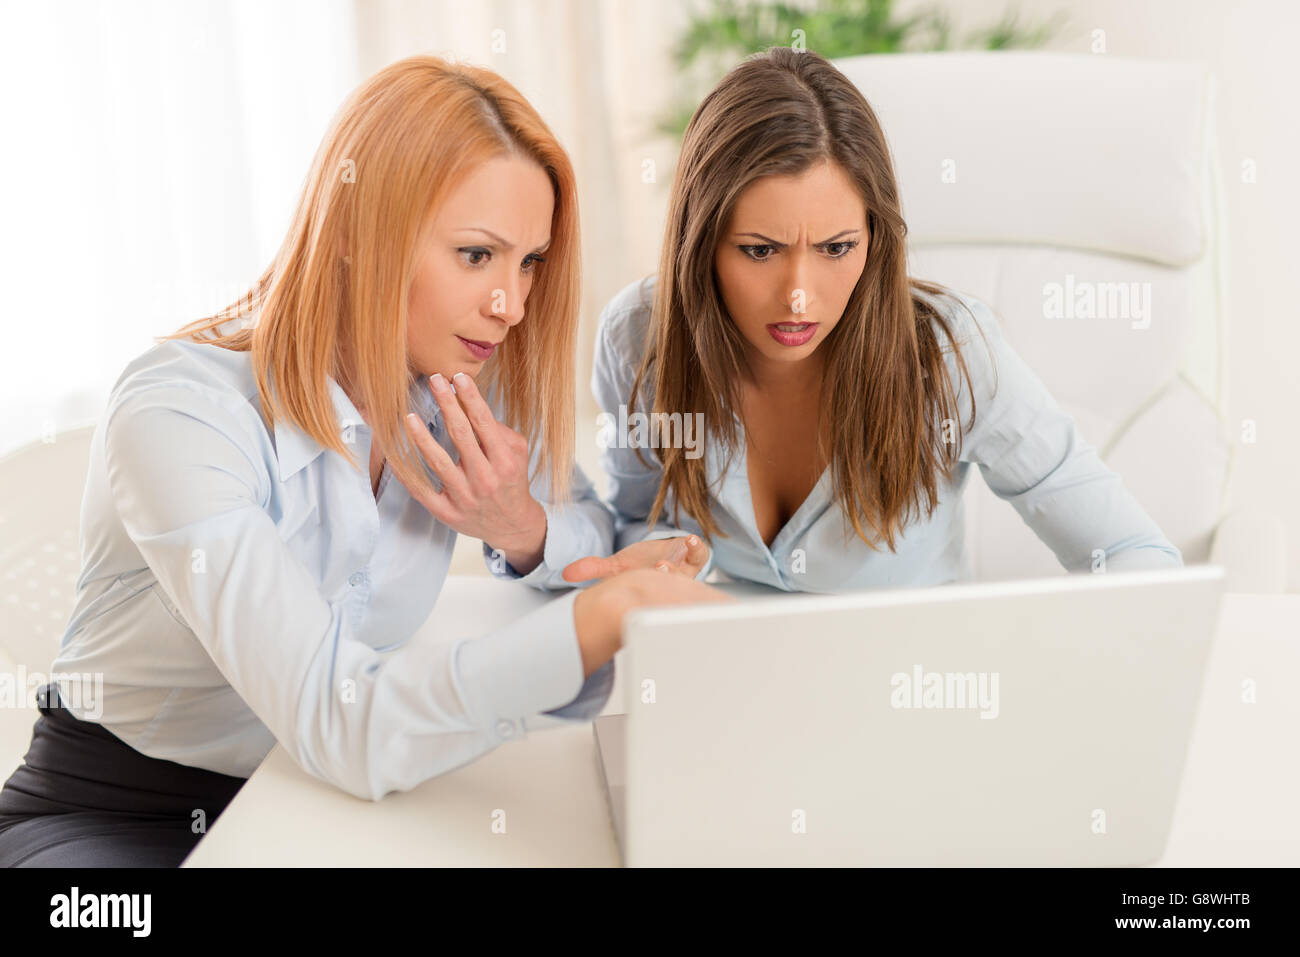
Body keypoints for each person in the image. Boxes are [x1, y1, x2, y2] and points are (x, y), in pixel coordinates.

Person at [0, 54, 724, 868]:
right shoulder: (182, 411)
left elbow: (584, 520)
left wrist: (519, 525)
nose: (512, 305)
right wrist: (604, 613)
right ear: (352, 233)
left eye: (529, 262)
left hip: (317, 805)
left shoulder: (459, 382)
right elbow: (336, 715)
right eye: (476, 255)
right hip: (112, 810)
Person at [567, 47, 1182, 594]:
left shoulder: (952, 353)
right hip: (739, 668)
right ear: (700, 244)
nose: (799, 298)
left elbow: (1134, 554)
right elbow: (639, 518)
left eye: (836, 248)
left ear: (874, 239)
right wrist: (665, 555)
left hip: (917, 673)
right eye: (759, 251)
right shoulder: (638, 337)